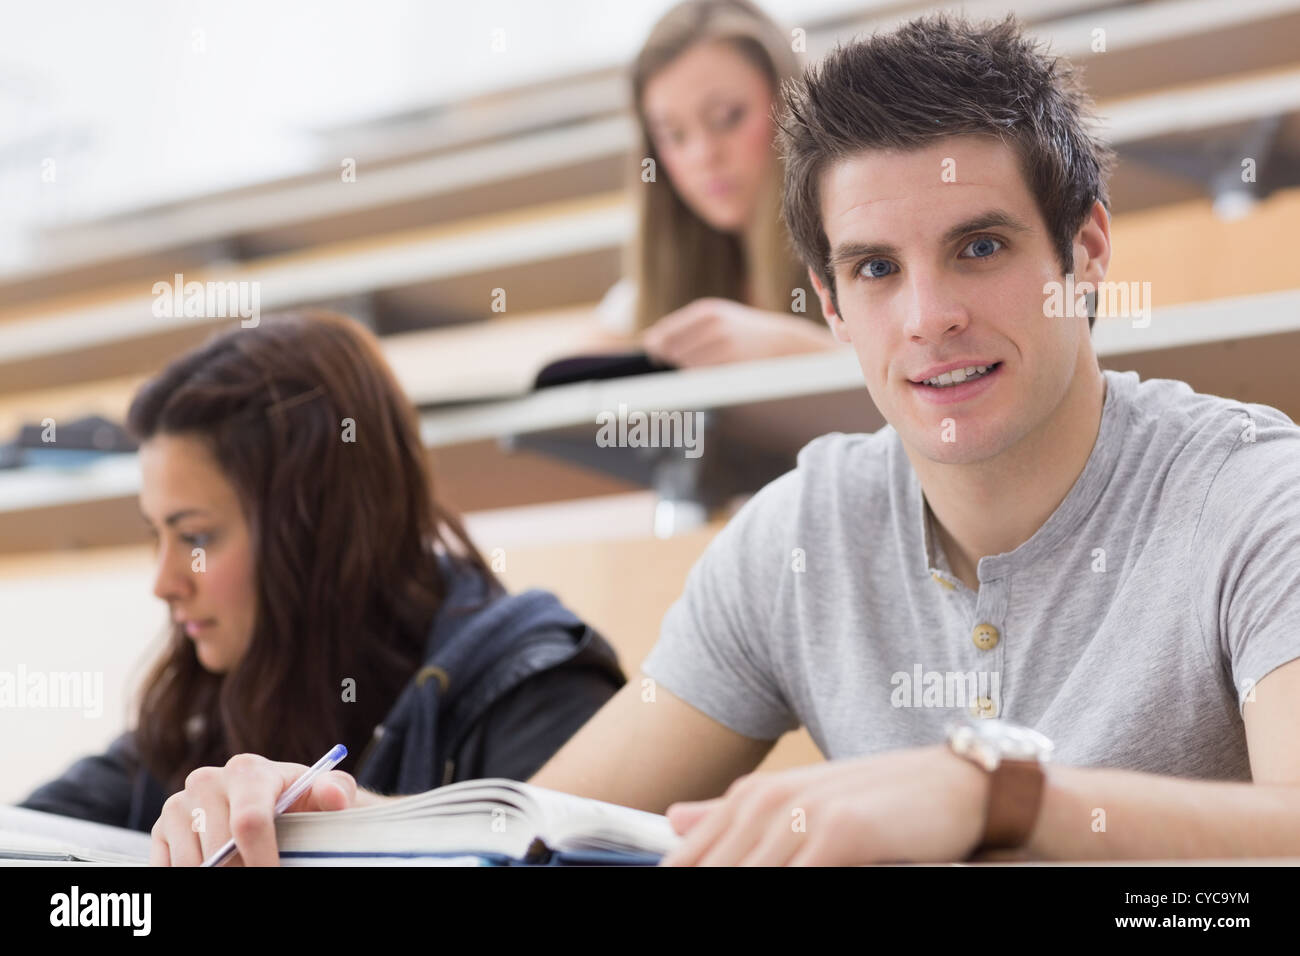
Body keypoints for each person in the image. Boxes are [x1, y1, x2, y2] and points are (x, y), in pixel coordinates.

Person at [149, 12, 1300, 868]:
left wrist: (996, 798)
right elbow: (542, 822)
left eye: (981, 246)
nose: (928, 315)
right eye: (875, 269)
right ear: (829, 299)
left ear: (1086, 250)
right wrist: (335, 821)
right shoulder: (799, 532)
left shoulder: (1253, 493)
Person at [16, 310, 624, 858]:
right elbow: (26, 834)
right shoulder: (205, 708)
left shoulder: (536, 688)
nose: (165, 582)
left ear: (314, 530)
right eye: (158, 535)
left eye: (196, 537)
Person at [587, 0, 840, 367]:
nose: (703, 155)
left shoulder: (860, 249)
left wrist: (791, 349)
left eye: (727, 117)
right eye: (674, 135)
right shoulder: (640, 298)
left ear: (792, 105)